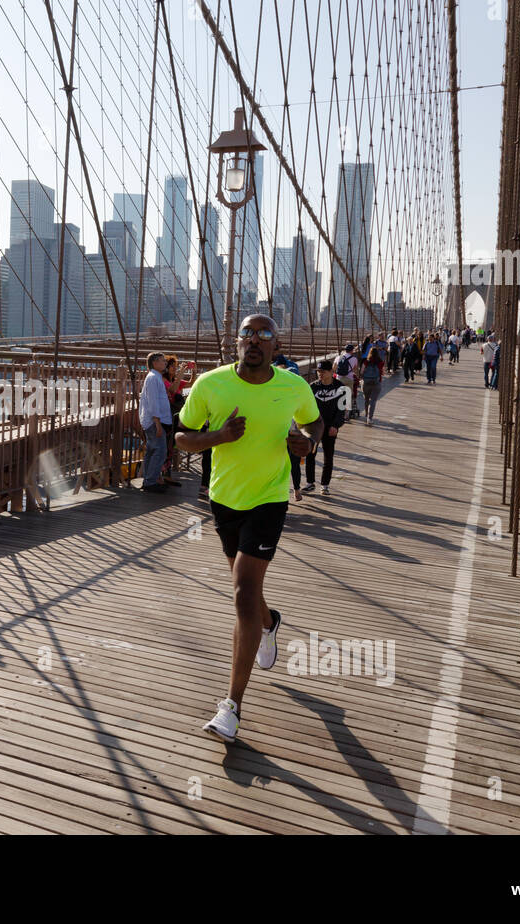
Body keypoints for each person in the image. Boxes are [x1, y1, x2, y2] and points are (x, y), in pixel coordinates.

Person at [176, 314, 324, 743]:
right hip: (224, 500)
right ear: (235, 342)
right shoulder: (210, 384)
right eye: (246, 334)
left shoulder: (293, 386)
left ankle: (231, 708)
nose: (254, 340)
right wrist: (218, 436)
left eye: (264, 335)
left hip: (270, 497)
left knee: (241, 590)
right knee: (249, 593)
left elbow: (312, 422)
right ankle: (270, 622)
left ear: (276, 345)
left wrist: (308, 441)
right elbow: (182, 437)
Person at [305, 360, 346, 495]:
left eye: (323, 372)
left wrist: (336, 425)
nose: (320, 374)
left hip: (330, 427)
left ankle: (325, 484)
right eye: (318, 371)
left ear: (331, 372)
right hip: (314, 427)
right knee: (310, 455)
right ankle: (310, 483)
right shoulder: (312, 387)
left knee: (328, 457)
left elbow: (342, 410)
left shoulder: (341, 388)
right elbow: (306, 407)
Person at [138, 352, 170, 493]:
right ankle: (151, 481)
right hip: (154, 421)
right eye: (163, 361)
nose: (165, 363)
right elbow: (153, 402)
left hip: (153, 420)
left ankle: (148, 479)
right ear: (155, 363)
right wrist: (157, 422)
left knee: (152, 450)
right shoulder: (152, 378)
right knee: (160, 451)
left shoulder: (155, 377)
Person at [161, 354, 188, 487]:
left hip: (173, 416)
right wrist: (181, 373)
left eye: (174, 367)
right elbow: (171, 390)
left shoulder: (173, 380)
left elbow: (190, 383)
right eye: (172, 366)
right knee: (165, 445)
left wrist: (192, 371)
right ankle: (161, 475)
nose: (173, 369)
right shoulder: (164, 380)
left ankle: (167, 474)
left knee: (170, 445)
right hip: (166, 415)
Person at [360, 347, 385, 425]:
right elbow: (383, 373)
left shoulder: (366, 361)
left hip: (366, 383)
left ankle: (366, 414)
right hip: (376, 383)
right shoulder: (380, 362)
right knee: (373, 401)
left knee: (366, 400)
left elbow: (361, 372)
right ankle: (370, 418)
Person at [335, 343, 360, 417]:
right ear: (352, 350)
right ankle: (346, 415)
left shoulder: (339, 357)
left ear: (345, 350)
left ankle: (339, 414)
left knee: (339, 396)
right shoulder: (354, 359)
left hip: (339, 379)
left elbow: (334, 368)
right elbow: (355, 370)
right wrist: (357, 377)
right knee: (348, 397)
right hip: (349, 379)